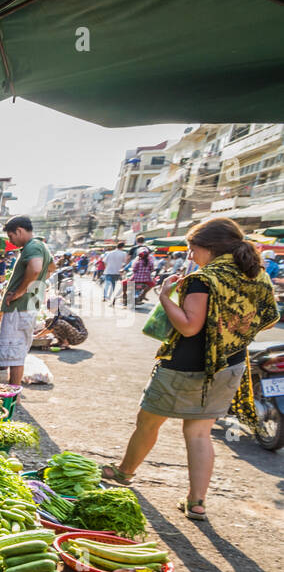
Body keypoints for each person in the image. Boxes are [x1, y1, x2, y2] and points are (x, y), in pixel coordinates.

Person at [101, 217, 279, 520]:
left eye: (192, 249)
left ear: (209, 248)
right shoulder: (256, 275)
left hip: (186, 367)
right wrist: (231, 334)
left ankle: (124, 472)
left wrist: (164, 298)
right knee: (199, 433)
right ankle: (197, 502)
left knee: (148, 421)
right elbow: (270, 316)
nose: (190, 255)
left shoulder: (204, 279)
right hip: (229, 363)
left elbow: (188, 326)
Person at [0, 216, 52, 387]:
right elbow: (50, 269)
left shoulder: (33, 246)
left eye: (11, 236)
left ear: (19, 230)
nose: (11, 240)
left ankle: (13, 392)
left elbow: (36, 268)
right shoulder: (42, 246)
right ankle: (13, 391)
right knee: (17, 351)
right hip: (26, 307)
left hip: (19, 308)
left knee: (14, 352)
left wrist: (19, 293)